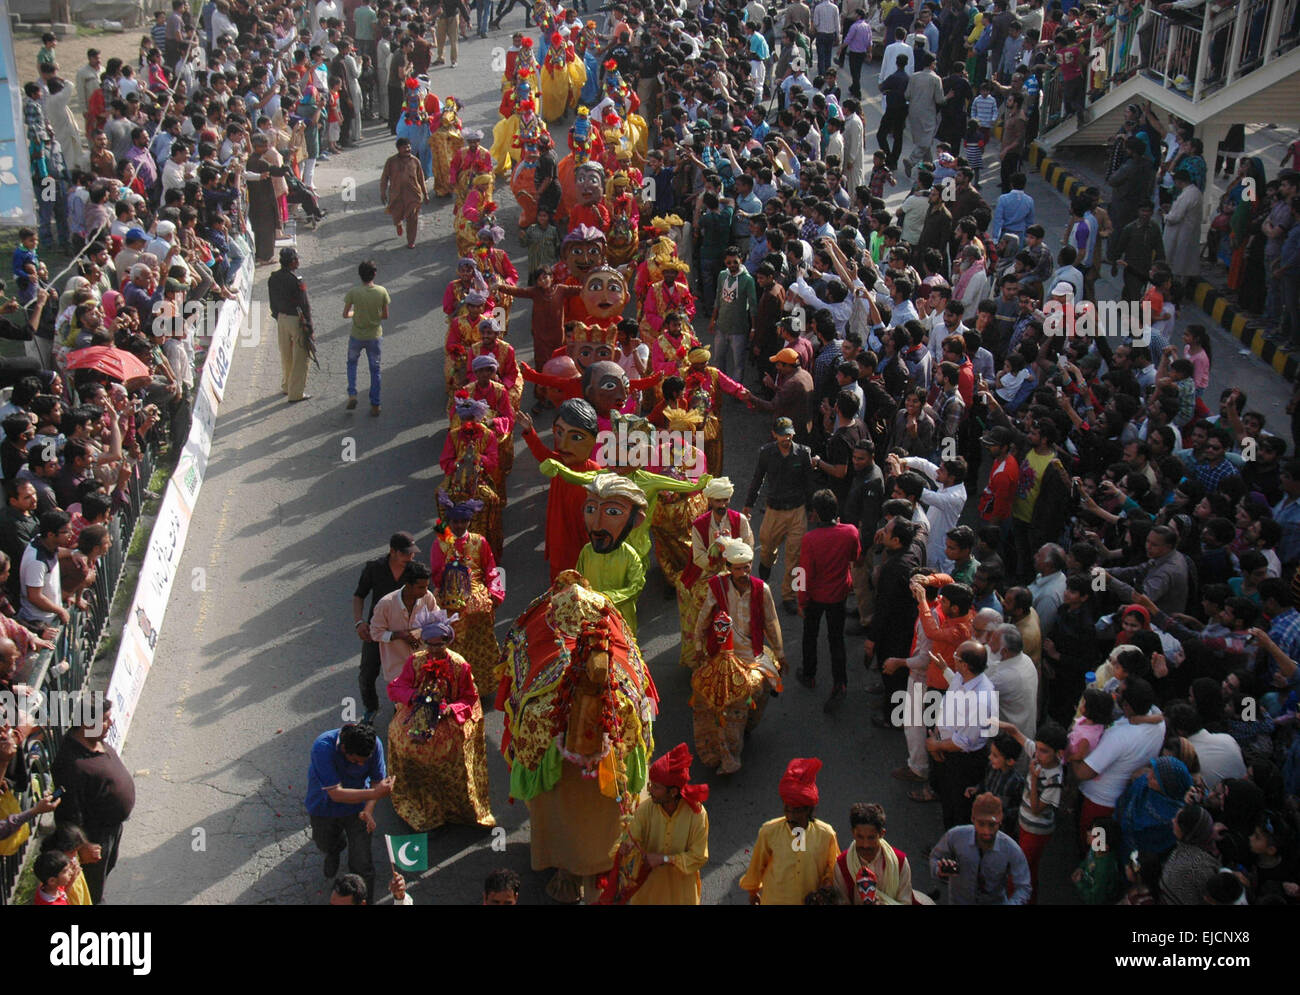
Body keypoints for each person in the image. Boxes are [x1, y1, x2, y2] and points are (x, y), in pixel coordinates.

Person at [385, 610, 494, 832]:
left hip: (449, 719)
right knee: (404, 743)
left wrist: (450, 709)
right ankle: (420, 806)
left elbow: (469, 697)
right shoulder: (415, 661)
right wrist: (414, 698)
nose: (434, 650)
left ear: (447, 641)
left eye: (439, 644)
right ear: (424, 642)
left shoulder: (459, 664)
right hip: (418, 712)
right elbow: (399, 686)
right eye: (430, 644)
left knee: (452, 752)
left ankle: (455, 809)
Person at [52, 698, 135, 905]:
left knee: (103, 877)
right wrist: (82, 846)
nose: (111, 723)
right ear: (87, 724)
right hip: (94, 837)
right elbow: (68, 813)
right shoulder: (70, 764)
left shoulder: (94, 740)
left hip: (112, 829)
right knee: (91, 890)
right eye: (105, 720)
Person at [604, 743, 710, 905]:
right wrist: (624, 850)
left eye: (656, 787)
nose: (650, 790)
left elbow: (699, 857)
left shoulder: (696, 815)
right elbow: (630, 838)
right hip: (647, 893)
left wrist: (665, 859)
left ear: (673, 792)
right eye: (650, 785)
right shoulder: (646, 809)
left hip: (680, 895)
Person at [304, 722, 394, 905]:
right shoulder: (323, 747)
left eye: (363, 761)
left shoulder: (374, 744)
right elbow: (336, 793)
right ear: (343, 749)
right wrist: (374, 794)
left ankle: (364, 900)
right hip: (324, 809)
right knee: (325, 843)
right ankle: (334, 850)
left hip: (357, 810)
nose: (360, 765)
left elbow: (377, 781)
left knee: (362, 864)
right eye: (355, 761)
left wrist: (368, 811)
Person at [738, 758, 839, 905]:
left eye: (797, 811)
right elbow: (756, 866)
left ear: (809, 810)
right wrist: (753, 892)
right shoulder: (769, 831)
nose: (791, 816)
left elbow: (834, 868)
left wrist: (827, 884)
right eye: (787, 809)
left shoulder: (826, 834)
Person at [796, 488, 861, 708]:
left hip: (815, 596)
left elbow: (803, 573)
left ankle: (809, 673)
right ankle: (840, 683)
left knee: (810, 636)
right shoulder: (850, 531)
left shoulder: (810, 539)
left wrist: (801, 601)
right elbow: (855, 556)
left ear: (815, 513)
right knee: (836, 640)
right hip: (839, 594)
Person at [744, 418, 814, 613]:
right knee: (766, 547)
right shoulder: (766, 453)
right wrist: (749, 504)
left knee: (795, 556)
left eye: (789, 433)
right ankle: (766, 566)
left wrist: (813, 509)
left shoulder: (803, 453)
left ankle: (790, 596)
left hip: (796, 511)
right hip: (774, 510)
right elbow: (758, 478)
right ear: (775, 434)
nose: (787, 438)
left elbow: (809, 483)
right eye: (783, 434)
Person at [352, 532, 420, 724]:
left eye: (412, 553)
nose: (411, 557)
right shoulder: (374, 568)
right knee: (367, 673)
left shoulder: (414, 572)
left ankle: (400, 709)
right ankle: (371, 708)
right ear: (393, 552)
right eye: (406, 553)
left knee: (405, 674)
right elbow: (359, 595)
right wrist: (359, 622)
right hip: (377, 631)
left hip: (404, 634)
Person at [930, 792, 1031, 904]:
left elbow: (1023, 887)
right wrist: (939, 870)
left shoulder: (1011, 849)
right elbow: (935, 858)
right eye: (981, 824)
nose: (986, 831)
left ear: (1000, 821)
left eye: (992, 825)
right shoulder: (955, 836)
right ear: (973, 819)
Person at [832, 802, 914, 905]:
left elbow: (906, 902)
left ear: (881, 834)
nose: (865, 845)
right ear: (853, 833)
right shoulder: (841, 865)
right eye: (860, 837)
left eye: (871, 838)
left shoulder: (900, 862)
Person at [342, 259, 391, 416]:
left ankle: (352, 393)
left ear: (359, 275)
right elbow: (385, 315)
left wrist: (356, 313)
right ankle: (375, 404)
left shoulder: (353, 293)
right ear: (374, 274)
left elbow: (345, 314)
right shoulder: (381, 291)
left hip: (356, 336)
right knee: (375, 370)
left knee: (351, 364)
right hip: (374, 337)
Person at [267, 247, 314, 403]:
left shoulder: (273, 278)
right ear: (292, 262)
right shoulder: (296, 281)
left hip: (281, 318)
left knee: (286, 355)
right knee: (300, 358)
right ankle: (296, 393)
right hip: (296, 320)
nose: (298, 262)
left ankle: (286, 386)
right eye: (296, 260)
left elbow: (272, 302)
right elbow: (305, 306)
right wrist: (309, 328)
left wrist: (278, 316)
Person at [379, 137, 429, 249]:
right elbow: (384, 179)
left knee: (413, 219)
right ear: (398, 149)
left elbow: (421, 179)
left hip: (413, 195)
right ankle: (398, 224)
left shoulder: (415, 161)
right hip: (396, 195)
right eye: (404, 147)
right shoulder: (391, 162)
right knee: (396, 216)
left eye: (409, 146)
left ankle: (411, 241)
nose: (407, 149)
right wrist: (383, 192)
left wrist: (425, 194)